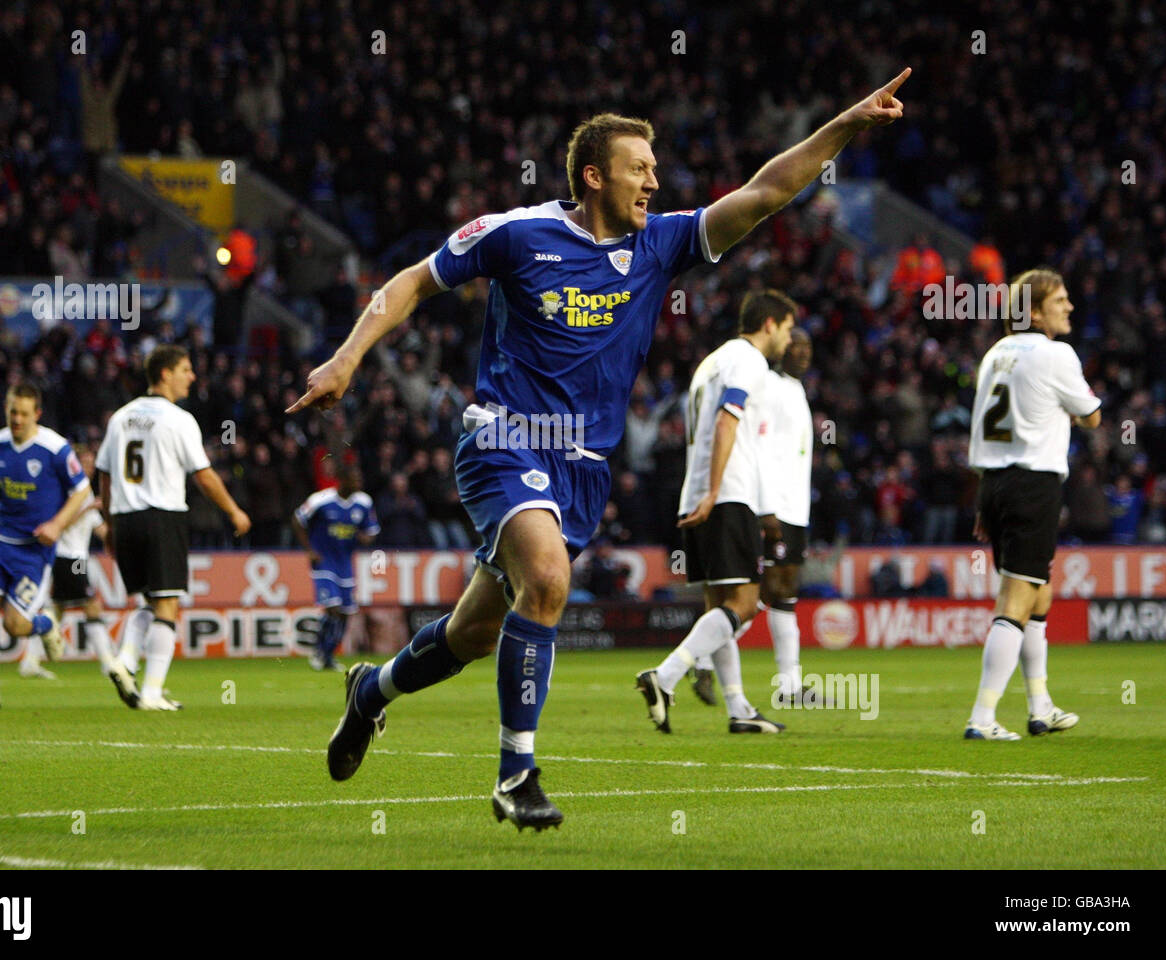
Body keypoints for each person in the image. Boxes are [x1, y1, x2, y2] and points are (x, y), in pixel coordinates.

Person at [288, 69, 911, 829]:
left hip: (583, 469)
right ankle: (517, 775)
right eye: (639, 168)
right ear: (593, 176)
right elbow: (414, 283)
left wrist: (844, 123)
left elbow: (766, 191)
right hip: (505, 437)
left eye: (655, 168)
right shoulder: (517, 235)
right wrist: (347, 358)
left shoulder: (662, 244)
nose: (655, 180)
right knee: (546, 582)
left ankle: (371, 691)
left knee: (476, 632)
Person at [635, 290, 795, 735]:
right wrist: (716, 491)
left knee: (719, 607)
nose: (787, 338)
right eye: (786, 328)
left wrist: (704, 492)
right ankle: (664, 677)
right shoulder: (749, 361)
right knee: (745, 604)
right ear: (769, 324)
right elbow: (728, 422)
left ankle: (739, 708)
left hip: (700, 492)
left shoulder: (711, 362)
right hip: (726, 493)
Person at [965, 268, 1100, 740]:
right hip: (1033, 485)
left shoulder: (994, 355)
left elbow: (982, 426)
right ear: (1036, 311)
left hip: (995, 483)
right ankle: (982, 717)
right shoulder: (1055, 354)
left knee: (1039, 592)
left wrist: (987, 497)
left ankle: (1041, 706)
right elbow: (1093, 415)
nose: (1070, 307)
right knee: (1016, 600)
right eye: (1060, 300)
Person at [95, 344, 251, 710]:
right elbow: (205, 476)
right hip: (161, 517)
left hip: (125, 518)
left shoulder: (120, 417)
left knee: (149, 601)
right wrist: (234, 512)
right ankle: (148, 689)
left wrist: (108, 523)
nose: (192, 376)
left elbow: (102, 474)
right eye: (185, 369)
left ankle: (125, 663)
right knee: (168, 605)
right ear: (164, 374)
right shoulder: (178, 419)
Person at [0, 383, 93, 709]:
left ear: (36, 414)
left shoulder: (55, 449)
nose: (17, 419)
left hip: (33, 551)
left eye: (24, 414)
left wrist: (57, 524)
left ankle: (45, 624)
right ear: (7, 410)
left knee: (14, 625)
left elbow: (82, 490)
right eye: (13, 412)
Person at [20, 444, 139, 700]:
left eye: (91, 463)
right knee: (91, 605)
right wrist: (87, 507)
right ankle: (108, 662)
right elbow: (58, 525)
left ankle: (30, 660)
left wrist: (124, 538)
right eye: (83, 462)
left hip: (73, 557)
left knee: (57, 609)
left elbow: (101, 530)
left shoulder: (85, 493)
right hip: (67, 556)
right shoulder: (68, 491)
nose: (88, 467)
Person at [759, 328, 823, 707]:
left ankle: (790, 686)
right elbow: (762, 445)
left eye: (807, 347)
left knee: (784, 591)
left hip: (795, 508)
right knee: (764, 591)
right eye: (795, 346)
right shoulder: (769, 385)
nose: (802, 353)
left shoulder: (797, 389)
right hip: (775, 507)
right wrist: (766, 509)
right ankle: (696, 659)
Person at [292, 461, 380, 672]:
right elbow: (297, 520)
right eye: (355, 478)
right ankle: (318, 650)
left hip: (345, 564)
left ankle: (328, 654)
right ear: (343, 480)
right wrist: (309, 550)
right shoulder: (321, 500)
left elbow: (371, 531)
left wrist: (366, 538)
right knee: (332, 607)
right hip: (323, 561)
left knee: (345, 612)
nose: (359, 482)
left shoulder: (363, 502)